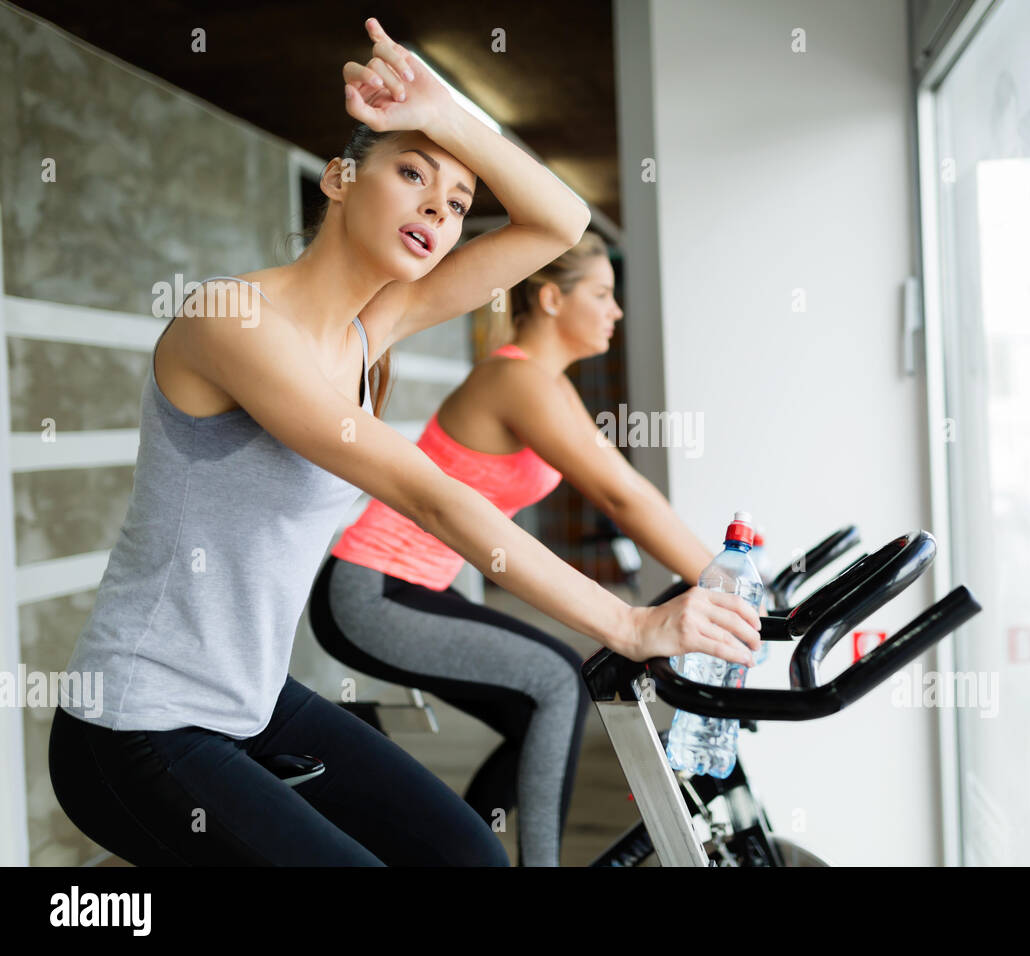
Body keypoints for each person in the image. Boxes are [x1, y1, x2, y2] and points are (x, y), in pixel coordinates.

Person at [47, 17, 760, 867]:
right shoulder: (232, 320)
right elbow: (428, 494)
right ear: (341, 180)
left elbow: (558, 222)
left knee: (471, 859)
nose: (437, 206)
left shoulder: (365, 332)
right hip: (136, 723)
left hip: (252, 701)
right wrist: (632, 623)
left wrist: (448, 119)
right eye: (412, 172)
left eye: (458, 203)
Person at [312, 231, 724, 866]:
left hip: (416, 586)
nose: (616, 311)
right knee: (558, 680)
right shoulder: (516, 379)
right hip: (371, 589)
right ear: (553, 300)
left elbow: (629, 487)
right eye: (603, 294)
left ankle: (456, 855)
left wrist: (721, 577)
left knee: (538, 712)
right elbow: (620, 498)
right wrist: (727, 584)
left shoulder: (549, 384)